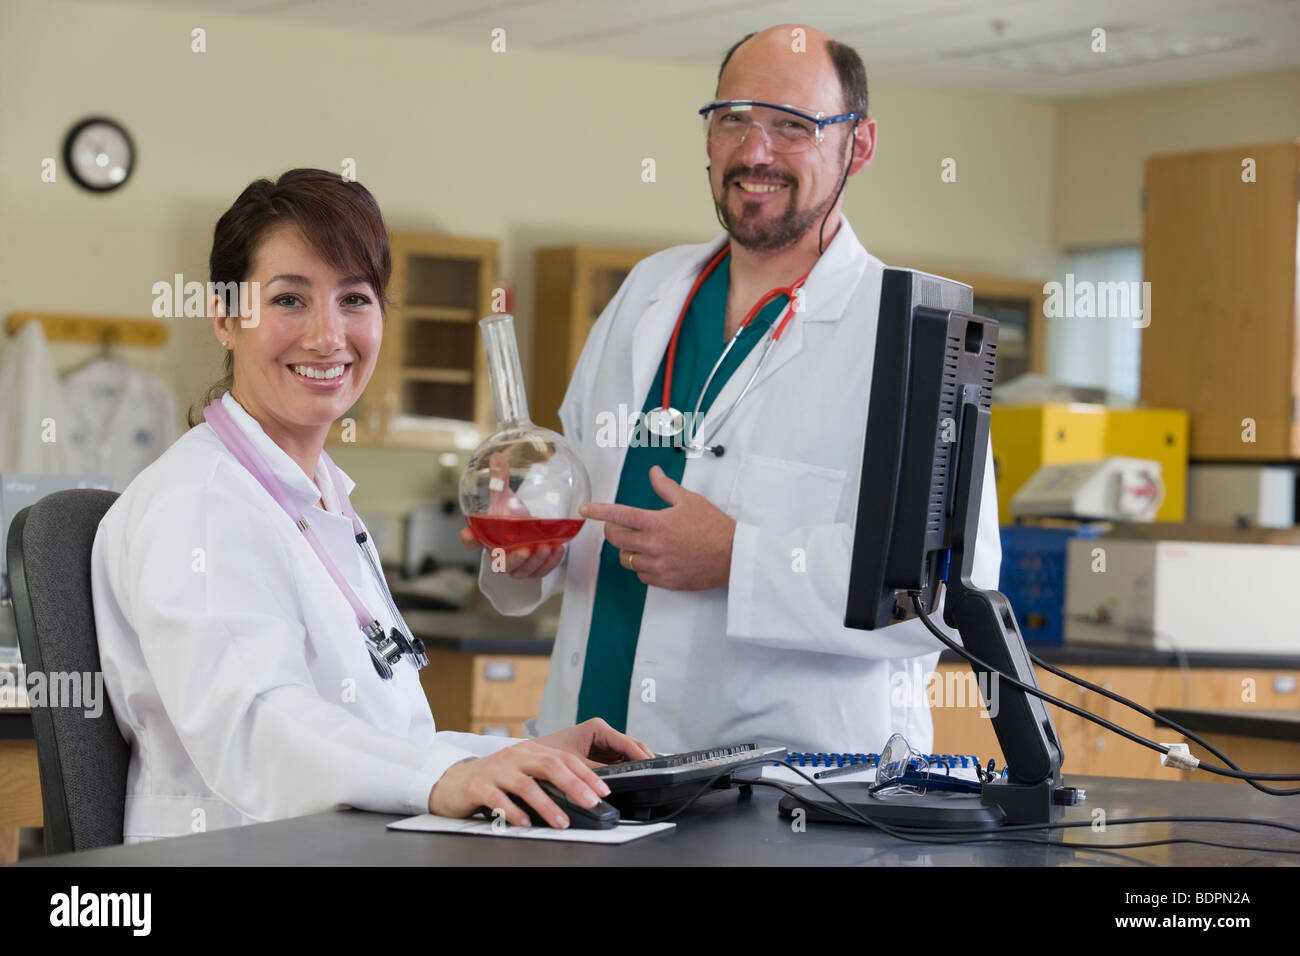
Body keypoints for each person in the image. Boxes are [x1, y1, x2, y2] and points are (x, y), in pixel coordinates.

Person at [465, 26, 1002, 755]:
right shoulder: (647, 293)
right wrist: (533, 549)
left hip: (792, 795)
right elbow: (583, 507)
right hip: (585, 767)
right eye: (733, 120)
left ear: (860, 145)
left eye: (793, 126)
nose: (755, 152)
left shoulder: (912, 334)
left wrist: (737, 560)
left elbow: (945, 598)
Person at [91, 169, 650, 843]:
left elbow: (377, 741)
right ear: (223, 317)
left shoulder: (316, 494)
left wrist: (502, 760)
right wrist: (442, 781)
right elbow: (257, 723)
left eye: (354, 299)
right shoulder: (199, 502)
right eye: (290, 300)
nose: (328, 336)